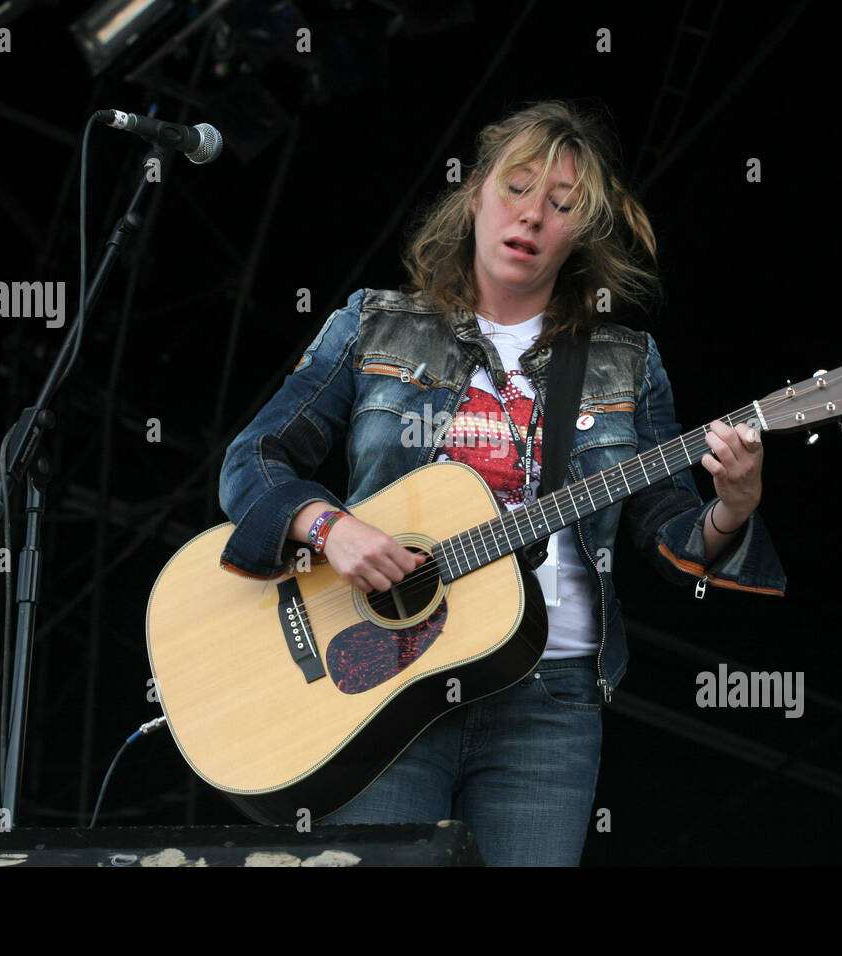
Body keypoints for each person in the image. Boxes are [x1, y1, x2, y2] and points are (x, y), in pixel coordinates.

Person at [217, 100, 786, 865]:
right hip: (380, 681)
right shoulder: (373, 326)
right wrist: (329, 527)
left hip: (548, 698)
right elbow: (255, 457)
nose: (533, 217)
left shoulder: (625, 361)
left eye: (562, 206)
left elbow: (670, 529)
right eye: (517, 189)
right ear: (476, 191)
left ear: (580, 233)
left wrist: (734, 506)